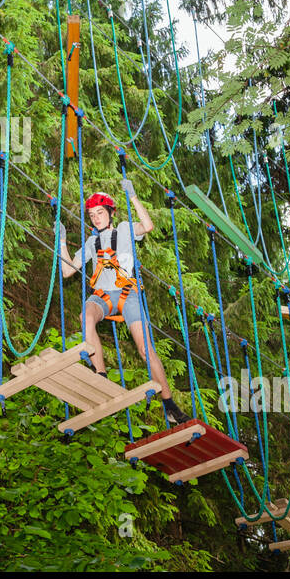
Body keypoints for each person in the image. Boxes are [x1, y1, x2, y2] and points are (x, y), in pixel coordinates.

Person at [58, 180, 190, 426]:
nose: (96, 219)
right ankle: (101, 375)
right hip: (104, 296)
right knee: (85, 315)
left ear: (109, 213)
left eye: (100, 213)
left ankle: (170, 404)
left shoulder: (124, 229)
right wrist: (62, 243)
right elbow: (67, 271)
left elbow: (148, 226)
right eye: (92, 215)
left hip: (127, 294)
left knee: (145, 350)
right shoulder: (91, 242)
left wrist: (134, 198)